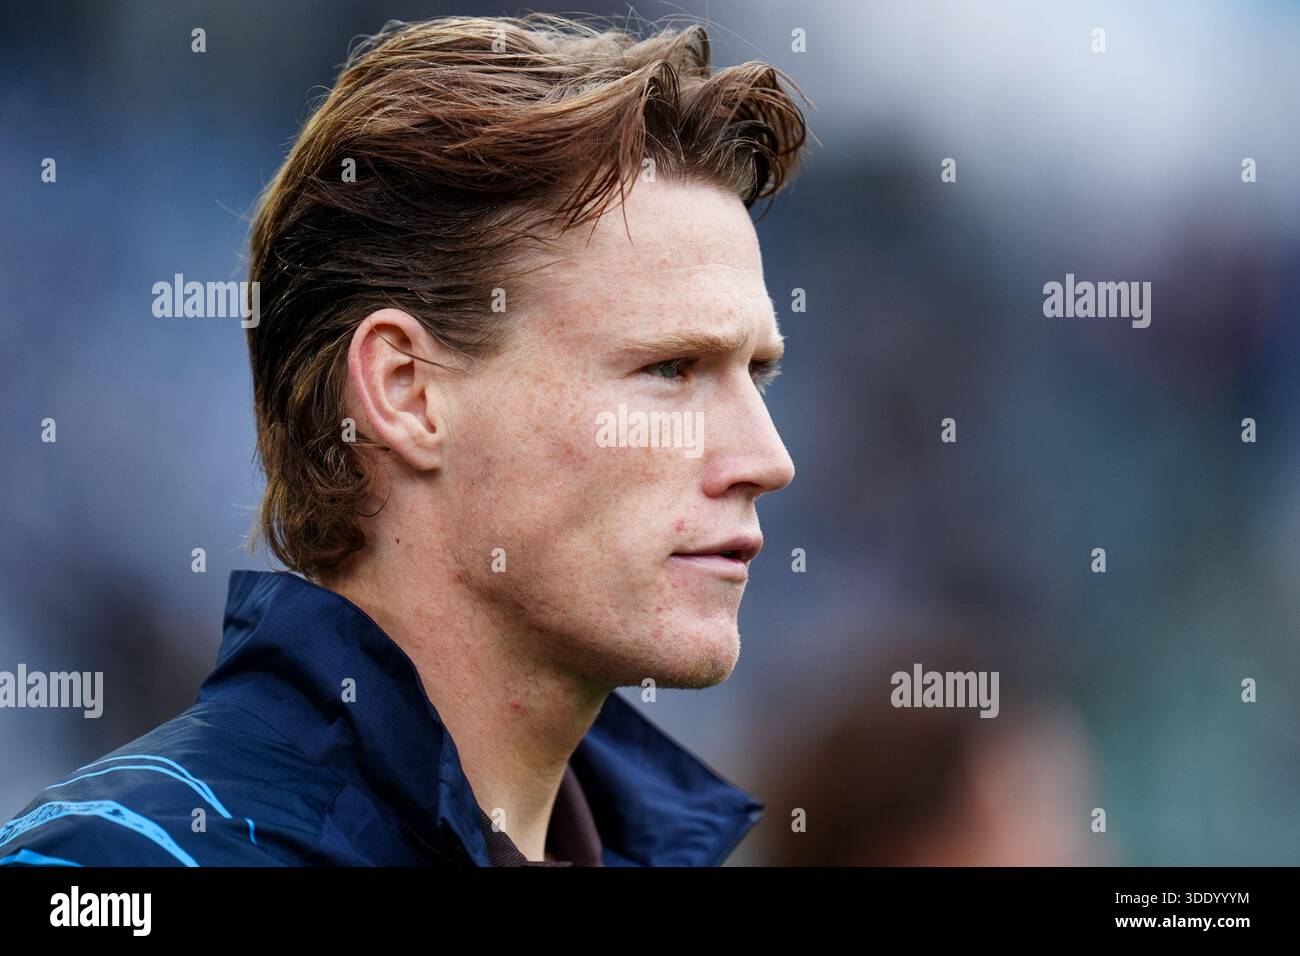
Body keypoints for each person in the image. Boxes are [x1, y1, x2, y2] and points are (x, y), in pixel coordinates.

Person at [0, 13, 808, 866]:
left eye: (756, 374)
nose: (769, 460)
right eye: (671, 369)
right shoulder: (118, 864)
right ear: (406, 393)